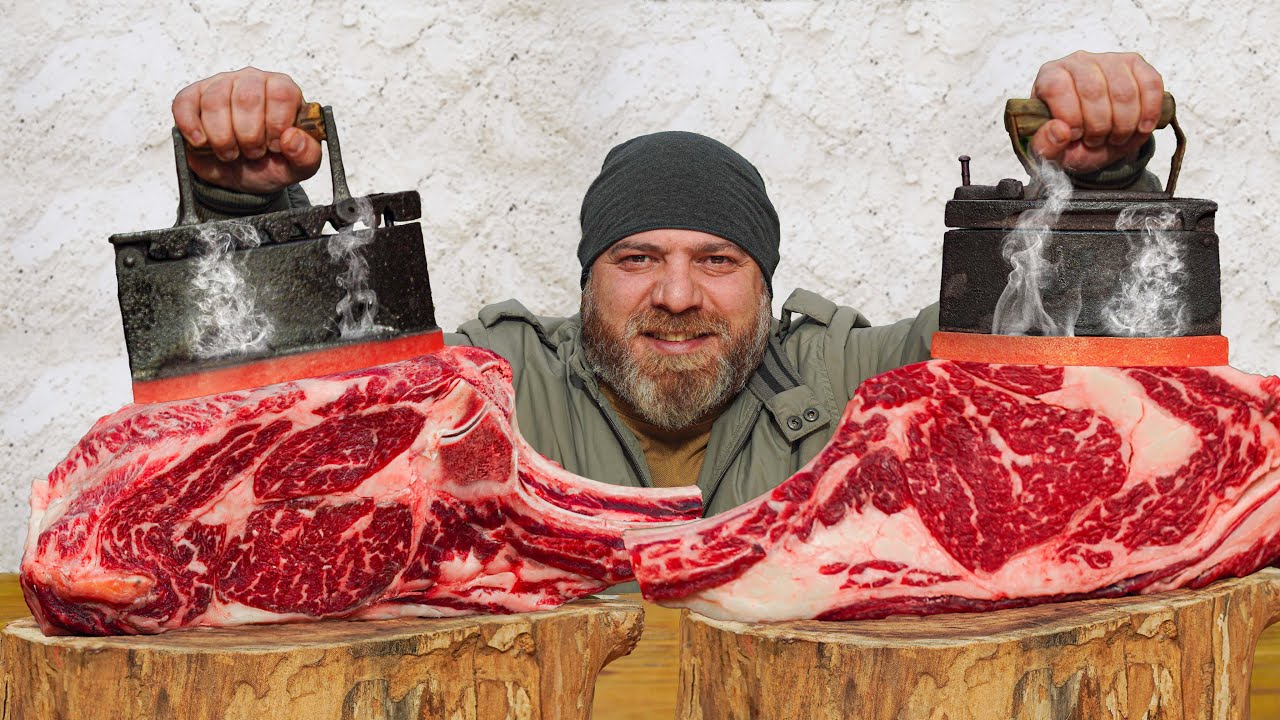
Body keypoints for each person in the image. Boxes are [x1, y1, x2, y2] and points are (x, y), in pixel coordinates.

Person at [171, 51, 1166, 516]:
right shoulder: (494, 379)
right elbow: (311, 412)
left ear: (766, 288)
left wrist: (1090, 179)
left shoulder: (846, 373)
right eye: (636, 259)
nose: (678, 295)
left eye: (718, 261)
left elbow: (1040, 356)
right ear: (587, 282)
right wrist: (243, 210)